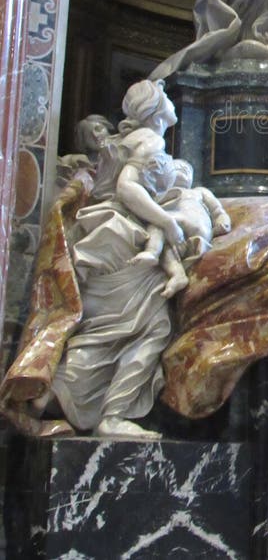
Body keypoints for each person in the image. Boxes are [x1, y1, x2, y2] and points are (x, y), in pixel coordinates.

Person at [47, 79, 186, 439]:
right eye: (166, 97)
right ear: (155, 109)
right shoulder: (150, 139)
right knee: (151, 328)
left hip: (105, 235)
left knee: (102, 331)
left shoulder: (126, 140)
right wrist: (167, 221)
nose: (172, 102)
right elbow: (127, 187)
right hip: (126, 237)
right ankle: (112, 415)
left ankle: (51, 392)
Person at [132, 159, 232, 299]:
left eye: (188, 169)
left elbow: (218, 211)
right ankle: (177, 273)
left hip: (198, 225)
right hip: (177, 236)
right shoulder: (160, 195)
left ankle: (152, 251)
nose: (184, 169)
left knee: (159, 224)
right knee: (164, 245)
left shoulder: (199, 191)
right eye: (177, 167)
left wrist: (223, 223)